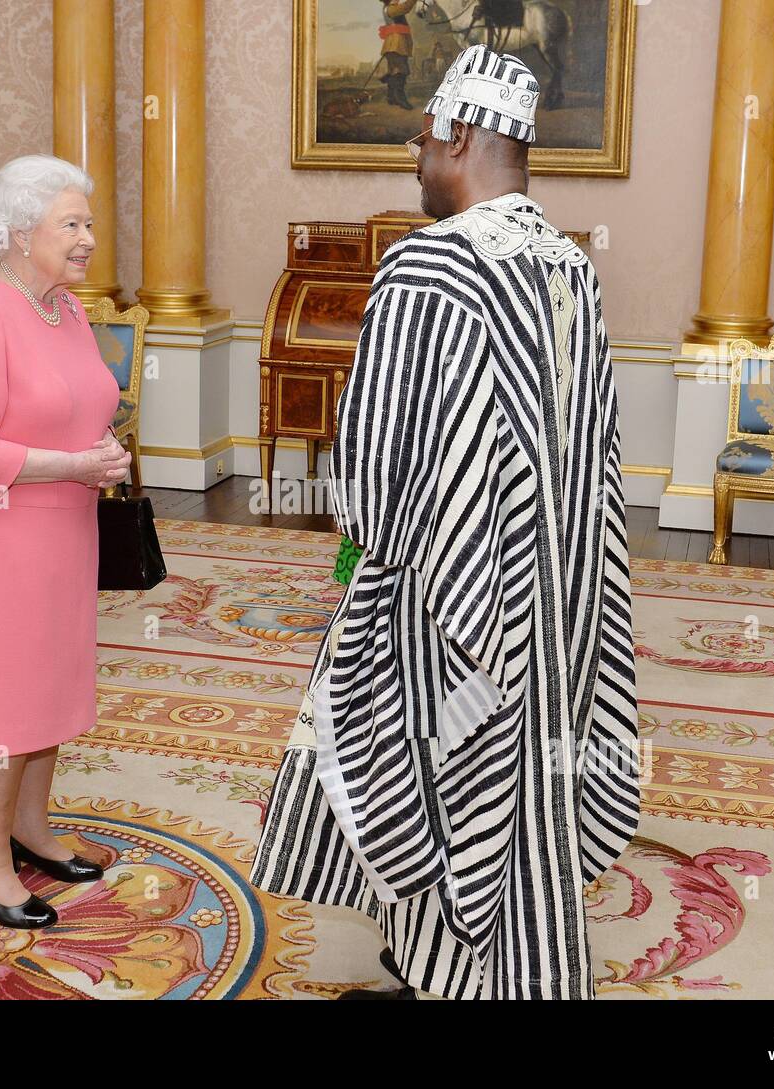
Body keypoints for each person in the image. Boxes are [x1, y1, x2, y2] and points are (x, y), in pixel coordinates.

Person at [250, 45, 641, 999]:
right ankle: (483, 962)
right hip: (555, 599)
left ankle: (440, 965)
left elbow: (376, 475)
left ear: (461, 134)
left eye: (421, 142)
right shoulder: (570, 267)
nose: (416, 162)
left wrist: (367, 547)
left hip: (443, 596)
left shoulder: (429, 264)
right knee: (516, 781)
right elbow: (595, 448)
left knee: (426, 770)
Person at [0, 154, 132, 929]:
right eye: (71, 225)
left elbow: (77, 400)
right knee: (8, 700)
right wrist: (75, 463)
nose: (88, 239)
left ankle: (30, 828)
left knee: (50, 683)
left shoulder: (67, 308)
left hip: (62, 527)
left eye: (88, 224)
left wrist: (102, 449)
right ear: (20, 233)